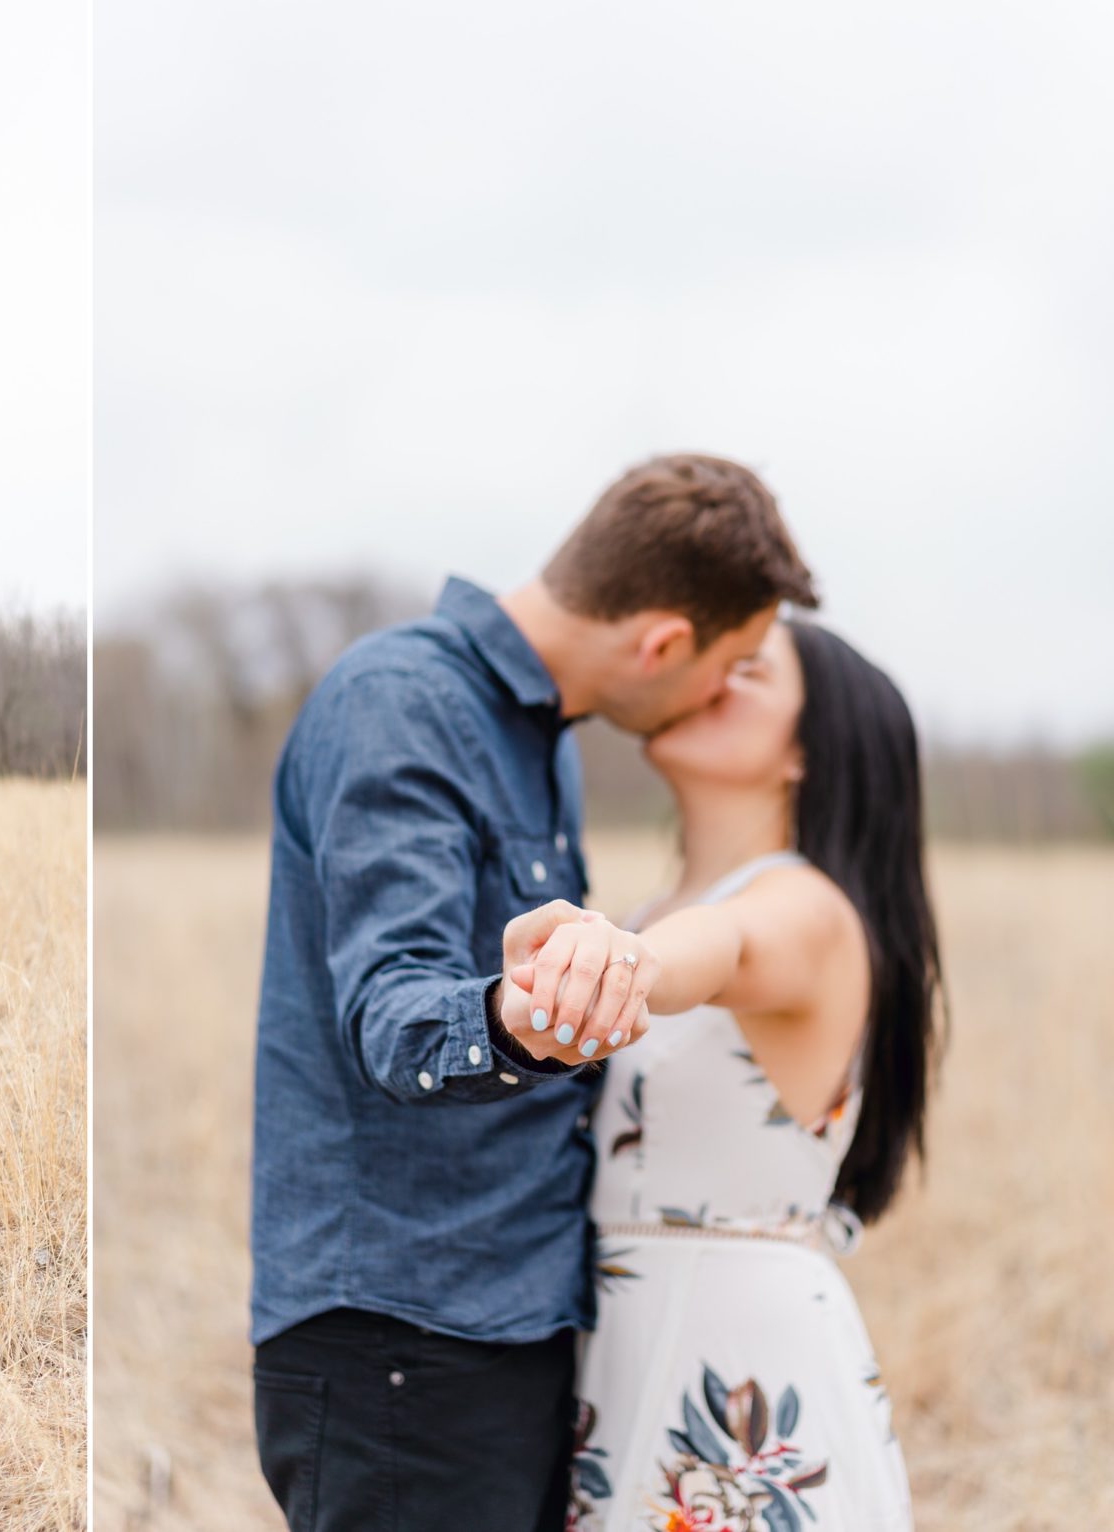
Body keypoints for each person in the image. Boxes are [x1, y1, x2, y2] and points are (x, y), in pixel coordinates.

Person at [250, 454, 818, 1530]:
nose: (714, 694)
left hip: (501, 1325)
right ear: (660, 642)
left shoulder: (537, 741)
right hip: (404, 1338)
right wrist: (527, 1016)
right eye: (726, 664)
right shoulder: (402, 706)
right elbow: (392, 1012)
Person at [540, 619, 937, 1530]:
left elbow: (719, 950)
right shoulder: (649, 908)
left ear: (807, 750)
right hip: (621, 1351)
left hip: (736, 1369)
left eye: (747, 671)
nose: (707, 677)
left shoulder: (807, 909)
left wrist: (622, 960)